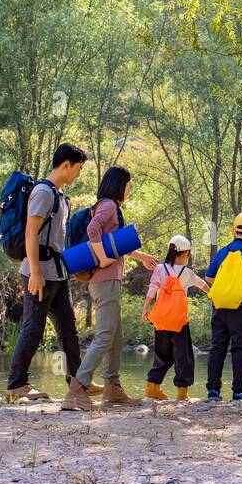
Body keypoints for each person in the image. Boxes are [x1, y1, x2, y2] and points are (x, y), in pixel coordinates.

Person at [62, 165, 158, 411]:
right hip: (105, 281)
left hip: (107, 281)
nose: (130, 189)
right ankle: (77, 389)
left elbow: (115, 244)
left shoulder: (108, 206)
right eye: (129, 184)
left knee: (115, 337)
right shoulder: (109, 206)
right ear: (120, 184)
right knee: (105, 335)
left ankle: (112, 389)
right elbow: (92, 230)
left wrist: (142, 256)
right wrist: (103, 258)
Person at [6, 143, 88, 403]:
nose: (78, 174)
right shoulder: (43, 192)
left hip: (58, 273)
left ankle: (78, 381)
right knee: (34, 327)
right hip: (39, 271)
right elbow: (31, 233)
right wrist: (36, 273)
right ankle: (17, 384)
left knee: (68, 327)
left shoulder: (60, 195)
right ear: (66, 165)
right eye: (78, 168)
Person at [139, 234, 209, 400]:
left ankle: (152, 388)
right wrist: (214, 295)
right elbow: (202, 284)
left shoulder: (160, 269)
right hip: (179, 321)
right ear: (185, 254)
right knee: (183, 356)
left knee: (162, 354)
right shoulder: (188, 273)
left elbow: (152, 289)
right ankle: (182, 393)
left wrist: (145, 309)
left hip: (161, 321)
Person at [203, 212, 242, 401]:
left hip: (219, 307)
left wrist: (225, 287)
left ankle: (213, 392)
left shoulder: (222, 251)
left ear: (234, 230)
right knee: (239, 350)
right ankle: (238, 392)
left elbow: (208, 277)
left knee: (217, 349)